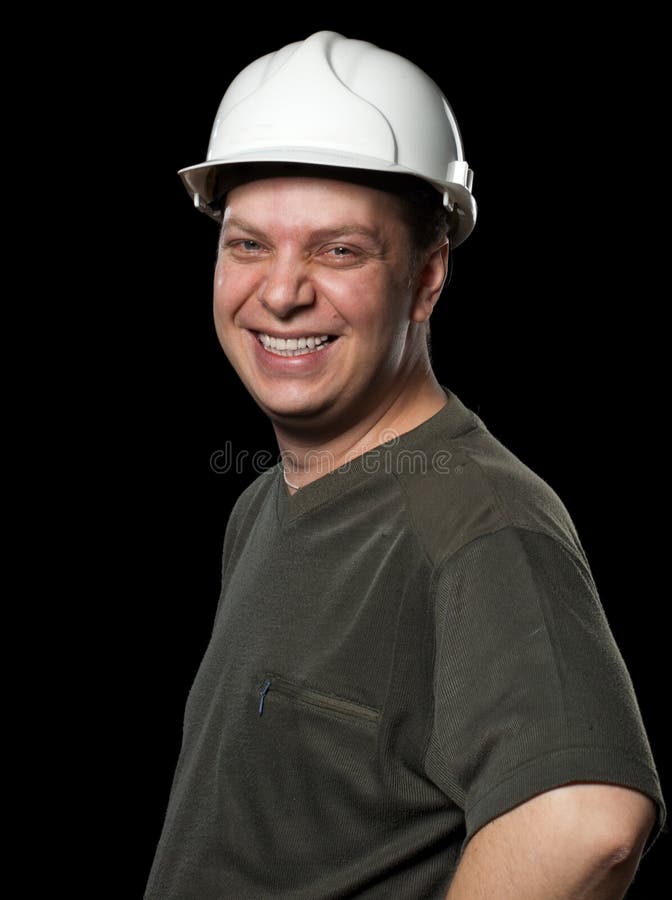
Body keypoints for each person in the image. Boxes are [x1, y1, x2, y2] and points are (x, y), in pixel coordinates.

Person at [144, 31, 665, 899]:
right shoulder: (263, 505)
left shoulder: (476, 517)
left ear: (427, 278)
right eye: (247, 245)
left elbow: (587, 823)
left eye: (338, 250)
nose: (279, 293)